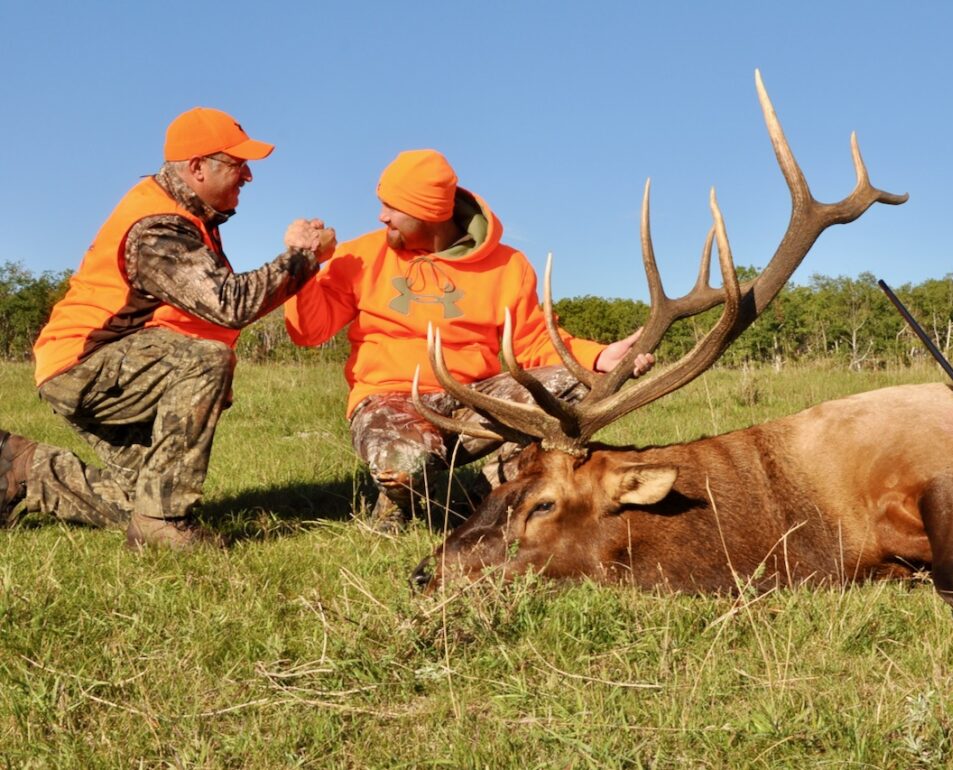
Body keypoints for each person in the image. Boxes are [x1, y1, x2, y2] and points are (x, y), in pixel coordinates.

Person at [0, 106, 336, 549]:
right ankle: (162, 525)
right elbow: (229, 304)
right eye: (239, 165)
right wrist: (303, 256)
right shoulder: (159, 226)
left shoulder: (186, 214)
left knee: (135, 499)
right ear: (197, 167)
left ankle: (24, 470)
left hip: (103, 367)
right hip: (84, 368)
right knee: (205, 359)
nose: (249, 177)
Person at [284, 149, 652, 530]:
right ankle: (397, 502)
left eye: (393, 207)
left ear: (429, 213)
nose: (382, 216)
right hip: (389, 399)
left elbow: (534, 342)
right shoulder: (360, 256)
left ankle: (488, 494)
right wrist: (302, 262)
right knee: (403, 465)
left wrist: (600, 357)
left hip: (472, 398)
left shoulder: (507, 266)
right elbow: (308, 332)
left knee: (578, 383)